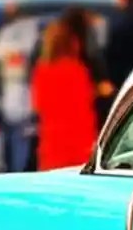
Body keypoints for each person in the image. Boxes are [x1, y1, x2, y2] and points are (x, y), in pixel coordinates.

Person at [31, 21, 97, 171]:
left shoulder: (41, 71)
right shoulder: (79, 70)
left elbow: (37, 106)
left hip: (52, 142)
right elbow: (86, 103)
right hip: (80, 141)